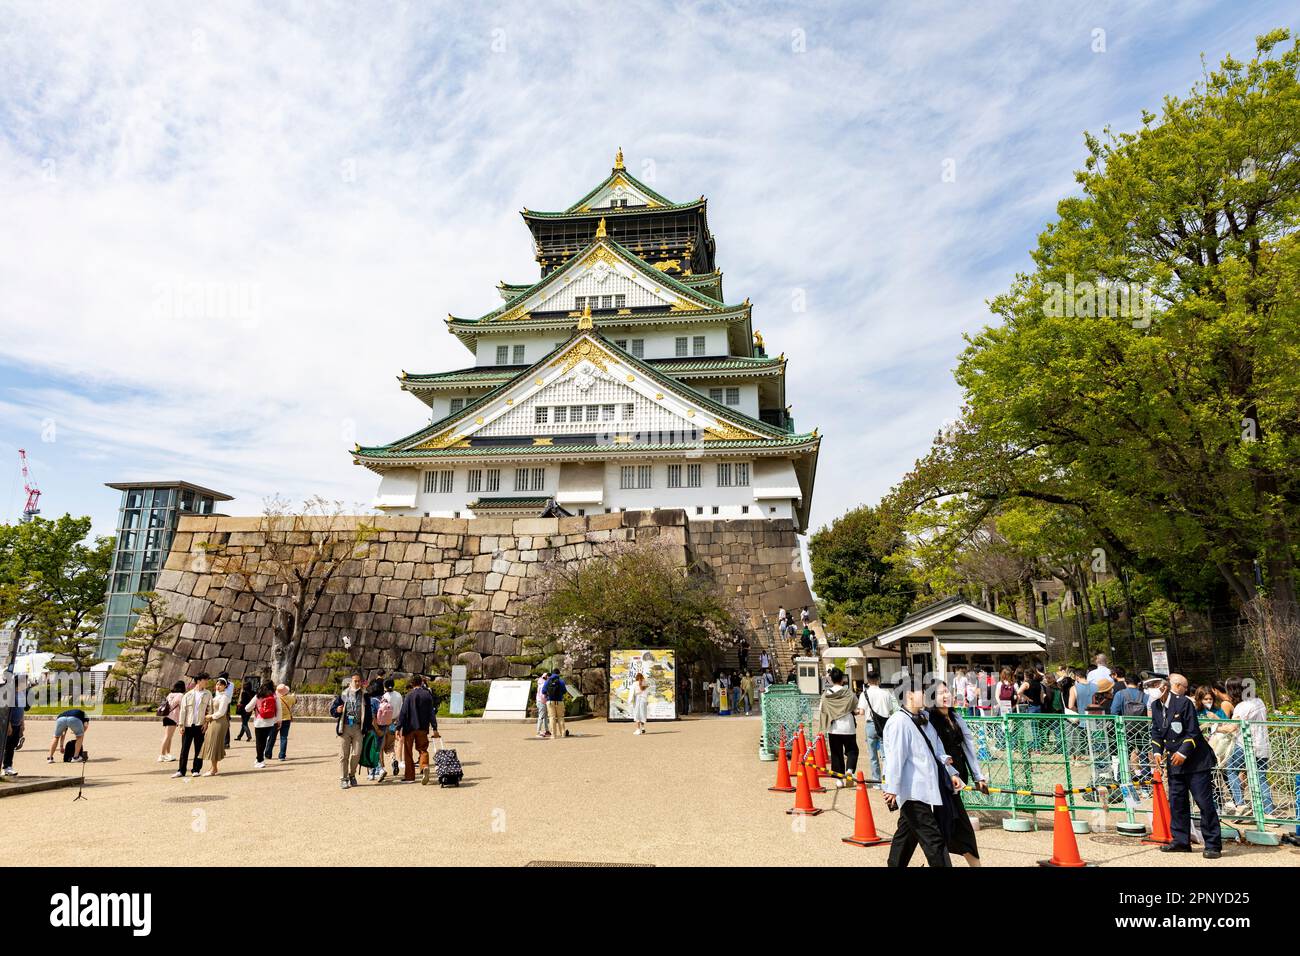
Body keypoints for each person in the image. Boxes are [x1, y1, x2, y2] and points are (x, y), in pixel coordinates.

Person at [883, 689, 964, 868]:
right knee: (933, 840)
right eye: (921, 691)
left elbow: (937, 749)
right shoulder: (899, 722)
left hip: (924, 788)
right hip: (911, 790)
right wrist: (892, 788)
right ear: (909, 695)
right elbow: (895, 757)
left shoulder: (924, 718)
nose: (927, 696)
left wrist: (951, 772)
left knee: (906, 836)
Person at [1150, 674, 1221, 859]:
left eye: (1155, 686)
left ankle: (1213, 844)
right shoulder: (1155, 706)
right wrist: (1157, 751)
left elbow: (1193, 732)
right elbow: (1156, 731)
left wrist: (1183, 752)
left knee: (1204, 803)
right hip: (1174, 763)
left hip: (1195, 761)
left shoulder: (1184, 703)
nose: (1152, 691)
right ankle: (1181, 841)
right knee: (1177, 803)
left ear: (1165, 688)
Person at [929, 682, 989, 866]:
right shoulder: (930, 720)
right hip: (942, 778)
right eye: (940, 693)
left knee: (942, 825)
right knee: (957, 823)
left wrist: (978, 776)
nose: (946, 695)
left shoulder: (956, 716)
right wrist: (950, 772)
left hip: (958, 776)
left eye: (947, 691)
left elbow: (968, 747)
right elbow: (935, 751)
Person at [1224, 676, 1274, 816]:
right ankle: (1268, 812)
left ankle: (1240, 805)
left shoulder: (1242, 706)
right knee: (1261, 777)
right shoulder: (1259, 701)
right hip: (1262, 744)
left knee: (1231, 769)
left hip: (1246, 745)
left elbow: (1232, 727)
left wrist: (1217, 726)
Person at [817, 668, 861, 786]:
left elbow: (821, 709)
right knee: (852, 750)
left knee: (836, 753)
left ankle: (839, 780)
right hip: (848, 726)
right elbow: (856, 708)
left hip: (834, 727)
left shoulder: (826, 695)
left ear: (830, 679)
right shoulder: (849, 693)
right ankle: (849, 770)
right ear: (842, 679)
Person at [330, 672, 372, 789]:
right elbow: (333, 710)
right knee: (344, 755)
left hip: (358, 728)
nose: (357, 683)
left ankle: (352, 774)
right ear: (351, 682)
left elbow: (368, 713)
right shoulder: (343, 694)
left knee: (357, 753)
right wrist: (337, 710)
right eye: (355, 681)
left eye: (359, 681)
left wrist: (367, 729)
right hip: (345, 727)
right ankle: (343, 778)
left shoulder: (365, 695)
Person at [396, 674, 435, 783]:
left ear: (412, 684)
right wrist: (435, 727)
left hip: (410, 727)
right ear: (421, 683)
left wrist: (398, 727)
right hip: (423, 727)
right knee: (423, 749)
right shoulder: (427, 695)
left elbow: (403, 713)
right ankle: (424, 766)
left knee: (408, 752)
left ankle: (409, 776)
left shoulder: (409, 695)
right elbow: (431, 713)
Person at [860, 673, 897, 786]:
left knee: (873, 755)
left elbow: (861, 712)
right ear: (878, 680)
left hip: (870, 724)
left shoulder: (864, 693)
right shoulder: (886, 693)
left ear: (868, 681)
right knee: (885, 755)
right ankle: (887, 780)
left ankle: (877, 781)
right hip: (884, 725)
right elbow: (891, 711)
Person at [172, 675, 210, 777]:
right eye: (205, 679)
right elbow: (183, 711)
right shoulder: (188, 695)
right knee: (184, 749)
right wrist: (181, 725)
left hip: (200, 725)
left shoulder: (208, 694)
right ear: (198, 681)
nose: (207, 681)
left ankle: (196, 769)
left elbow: (210, 710)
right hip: (188, 725)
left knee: (199, 749)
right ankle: (181, 770)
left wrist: (206, 723)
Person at [246, 680, 281, 769]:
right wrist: (278, 720)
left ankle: (260, 760)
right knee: (264, 741)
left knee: (259, 741)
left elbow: (247, 708)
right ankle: (259, 758)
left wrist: (254, 708)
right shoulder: (274, 695)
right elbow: (279, 709)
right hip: (270, 722)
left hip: (259, 721)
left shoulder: (258, 695)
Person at [199, 678, 230, 775]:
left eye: (221, 685)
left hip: (219, 722)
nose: (218, 686)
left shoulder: (224, 697)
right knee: (211, 743)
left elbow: (221, 712)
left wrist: (210, 716)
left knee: (214, 744)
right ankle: (213, 767)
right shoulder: (216, 696)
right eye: (217, 684)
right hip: (213, 721)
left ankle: (214, 769)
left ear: (225, 686)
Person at [2, 670, 28, 776]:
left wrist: (22, 723)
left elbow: (21, 710)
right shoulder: (10, 694)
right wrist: (8, 725)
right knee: (6, 746)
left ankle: (8, 766)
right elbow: (6, 711)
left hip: (17, 724)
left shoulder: (21, 693)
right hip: (9, 724)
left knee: (11, 746)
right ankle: (6, 767)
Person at [157, 680, 185, 762]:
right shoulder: (180, 695)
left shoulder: (170, 694)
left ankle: (168, 754)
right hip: (173, 717)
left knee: (169, 736)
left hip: (166, 716)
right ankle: (162, 755)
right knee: (167, 736)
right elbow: (182, 707)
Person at [383, 678, 403, 775]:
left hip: (384, 723)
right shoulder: (399, 695)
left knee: (382, 746)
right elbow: (401, 709)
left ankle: (381, 768)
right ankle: (393, 759)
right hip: (395, 722)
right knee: (390, 746)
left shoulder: (384, 696)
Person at [269, 684, 295, 761]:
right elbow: (295, 701)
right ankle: (282, 755)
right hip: (286, 719)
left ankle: (268, 753)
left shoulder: (276, 698)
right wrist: (293, 696)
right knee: (283, 737)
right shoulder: (290, 698)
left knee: (272, 737)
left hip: (276, 719)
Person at [544, 670, 567, 739]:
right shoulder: (561, 681)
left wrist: (548, 694)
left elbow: (543, 691)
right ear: (558, 674)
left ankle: (553, 735)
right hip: (559, 701)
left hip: (550, 701)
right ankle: (563, 734)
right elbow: (564, 691)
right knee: (560, 717)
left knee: (552, 718)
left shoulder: (548, 681)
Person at [235, 675, 257, 741]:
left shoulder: (244, 693)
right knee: (244, 723)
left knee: (244, 723)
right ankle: (239, 736)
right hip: (250, 710)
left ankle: (249, 736)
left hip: (243, 710)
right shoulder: (253, 692)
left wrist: (239, 704)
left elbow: (243, 701)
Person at [630, 671, 650, 735]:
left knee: (637, 714)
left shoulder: (634, 684)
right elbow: (647, 693)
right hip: (644, 700)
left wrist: (630, 700)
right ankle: (643, 728)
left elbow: (631, 693)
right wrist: (646, 700)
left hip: (637, 700)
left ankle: (638, 729)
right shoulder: (645, 683)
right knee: (642, 714)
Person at [535, 671, 551, 739]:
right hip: (541, 702)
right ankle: (538, 732)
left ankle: (547, 731)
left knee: (545, 717)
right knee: (541, 717)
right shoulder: (543, 685)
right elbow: (542, 695)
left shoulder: (541, 683)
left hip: (541, 702)